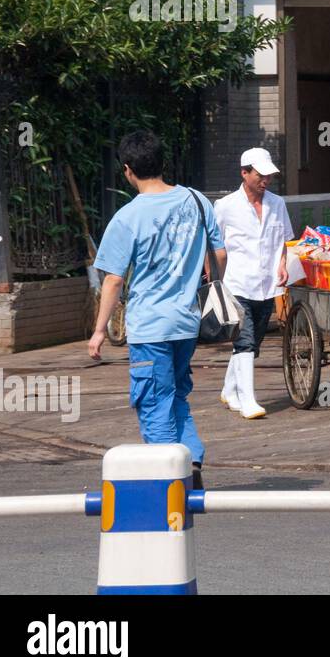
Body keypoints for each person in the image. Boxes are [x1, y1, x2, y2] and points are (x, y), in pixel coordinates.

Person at [88, 130, 225, 490]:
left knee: (152, 402)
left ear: (128, 170)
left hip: (150, 326)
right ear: (163, 163)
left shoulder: (127, 217)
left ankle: (170, 480)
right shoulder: (197, 201)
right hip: (187, 323)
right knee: (175, 395)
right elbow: (220, 254)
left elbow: (113, 281)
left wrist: (100, 329)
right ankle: (191, 460)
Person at [214, 148, 293, 420]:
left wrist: (283, 264)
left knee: (253, 342)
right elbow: (215, 246)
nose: (266, 180)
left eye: (269, 175)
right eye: (261, 175)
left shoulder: (277, 204)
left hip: (267, 283)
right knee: (244, 340)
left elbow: (284, 239)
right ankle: (248, 401)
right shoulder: (225, 206)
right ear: (244, 173)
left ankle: (229, 389)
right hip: (237, 282)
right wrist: (216, 279)